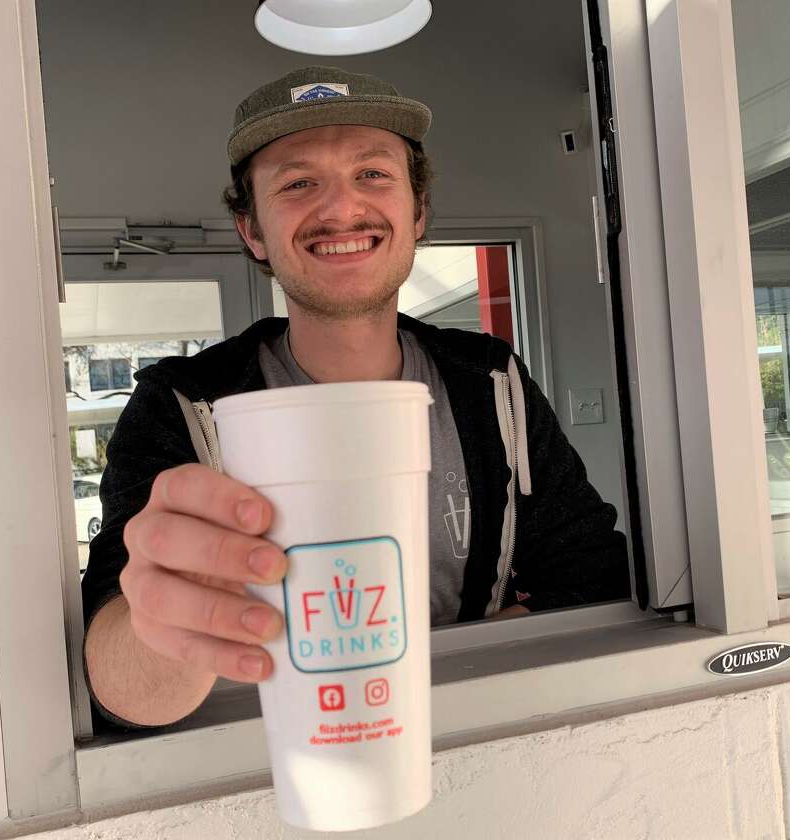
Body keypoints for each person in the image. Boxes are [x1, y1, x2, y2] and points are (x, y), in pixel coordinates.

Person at [81, 66, 630, 729]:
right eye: (298, 182)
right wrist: (165, 617)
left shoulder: (492, 380)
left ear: (418, 209)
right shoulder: (181, 404)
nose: (341, 209)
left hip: (481, 742)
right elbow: (121, 691)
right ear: (252, 230)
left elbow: (595, 572)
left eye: (372, 174)